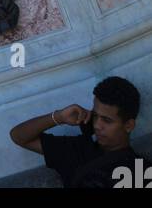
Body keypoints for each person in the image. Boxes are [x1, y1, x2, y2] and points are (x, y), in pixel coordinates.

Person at [9, 76, 148, 188]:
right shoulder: (77, 150)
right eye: (95, 116)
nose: (98, 125)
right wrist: (59, 117)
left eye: (107, 120)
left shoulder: (141, 172)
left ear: (128, 125)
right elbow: (19, 136)